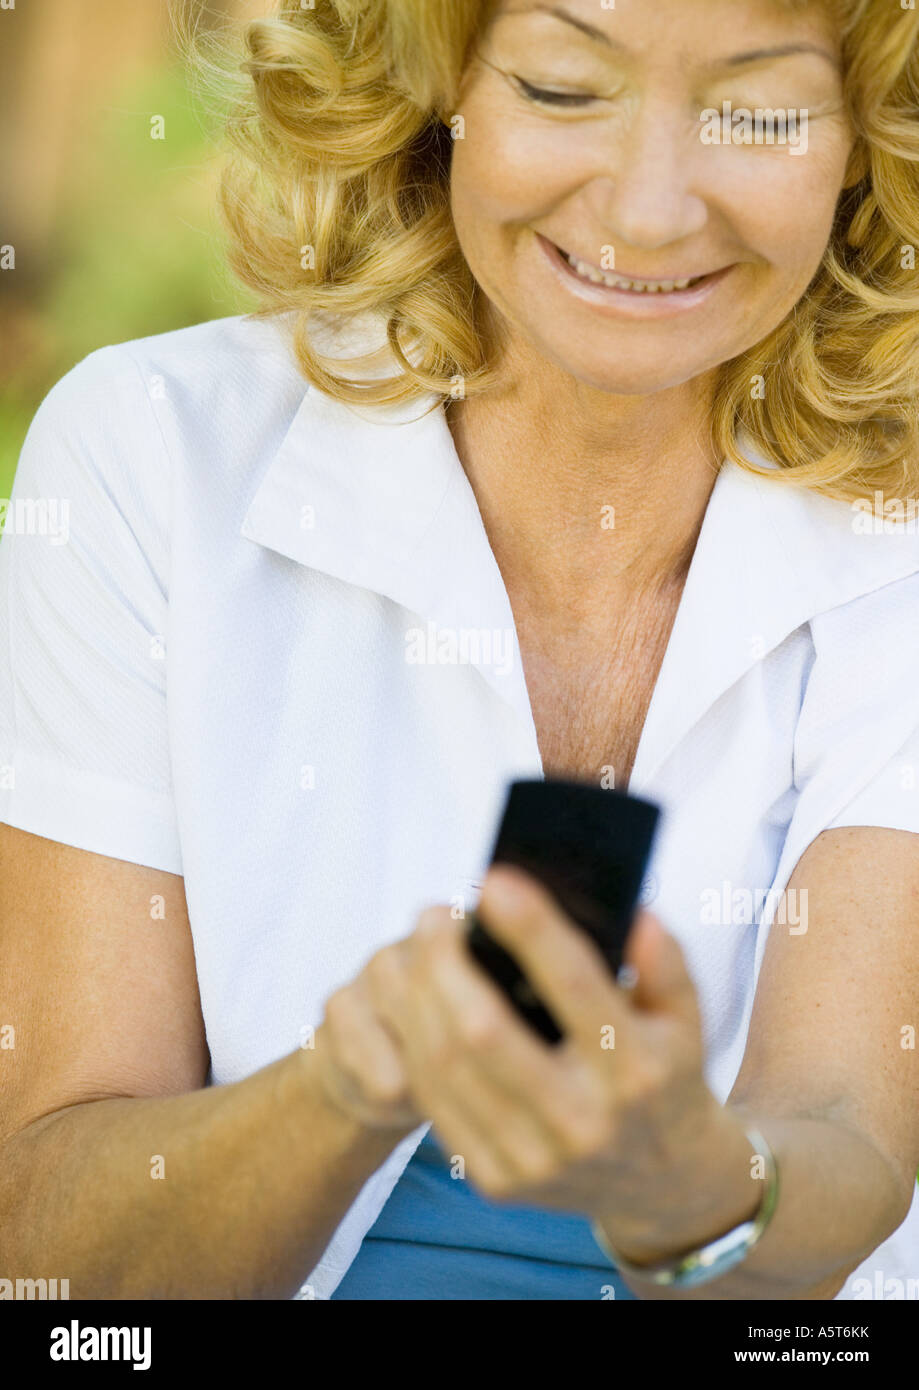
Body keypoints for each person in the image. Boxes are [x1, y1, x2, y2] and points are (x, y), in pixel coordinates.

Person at [1, 0, 918, 1302]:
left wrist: (692, 1179)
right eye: (560, 88)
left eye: (759, 113)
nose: (650, 211)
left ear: (869, 140)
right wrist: (348, 1082)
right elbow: (53, 1249)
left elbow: (849, 1134)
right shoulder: (149, 459)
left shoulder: (901, 536)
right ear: (436, 90)